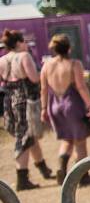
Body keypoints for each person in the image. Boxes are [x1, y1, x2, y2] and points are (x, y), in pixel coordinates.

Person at [40, 33, 90, 186]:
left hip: (54, 105)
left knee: (67, 139)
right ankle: (83, 175)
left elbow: (44, 89)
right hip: (71, 103)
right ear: (69, 48)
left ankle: (61, 169)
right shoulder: (74, 64)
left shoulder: (46, 65)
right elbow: (81, 86)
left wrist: (44, 108)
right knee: (80, 141)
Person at [1, 31, 54, 190]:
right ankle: (22, 177)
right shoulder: (24, 56)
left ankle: (43, 168)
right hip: (25, 101)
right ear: (18, 42)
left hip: (9, 100)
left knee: (28, 136)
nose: (25, 44)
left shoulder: (2, 60)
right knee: (24, 138)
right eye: (23, 41)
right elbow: (34, 78)